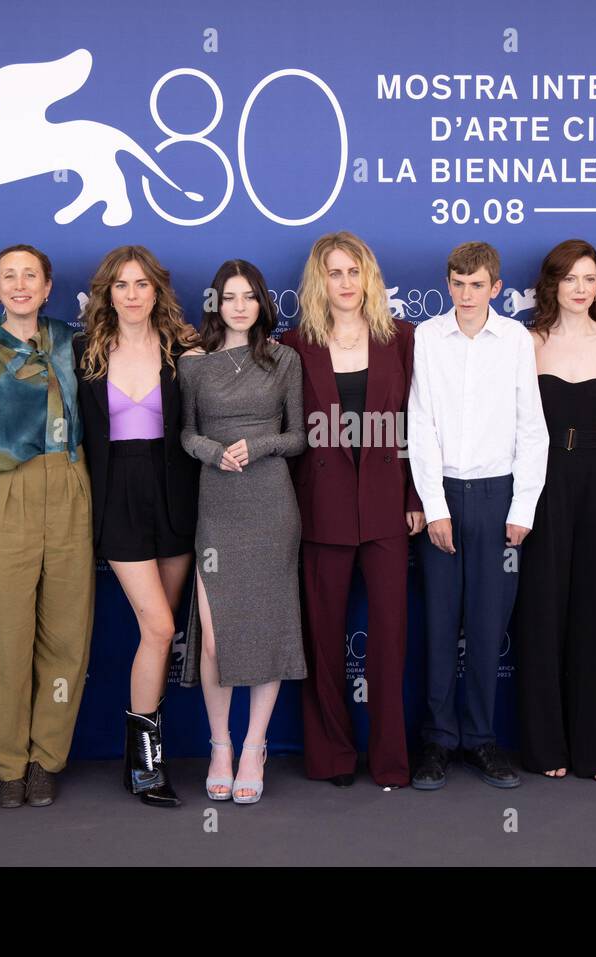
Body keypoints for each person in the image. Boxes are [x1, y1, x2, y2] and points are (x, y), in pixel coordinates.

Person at [281, 231, 424, 790]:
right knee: (323, 640)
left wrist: (416, 498)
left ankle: (391, 761)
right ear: (321, 281)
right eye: (334, 273)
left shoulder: (402, 339)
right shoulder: (294, 344)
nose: (345, 283)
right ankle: (332, 756)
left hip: (389, 508)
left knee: (390, 640)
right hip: (320, 511)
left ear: (370, 278)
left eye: (354, 272)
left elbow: (421, 427)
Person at [407, 241, 549, 790]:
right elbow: (419, 426)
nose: (466, 295)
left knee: (488, 627)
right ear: (449, 284)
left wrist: (523, 507)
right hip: (444, 493)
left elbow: (530, 427)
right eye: (457, 284)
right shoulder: (427, 337)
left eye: (477, 285)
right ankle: (439, 741)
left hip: (499, 495)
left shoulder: (514, 339)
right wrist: (434, 506)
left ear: (496, 287)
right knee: (440, 626)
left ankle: (482, 739)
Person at [0, 244, 94, 809]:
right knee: (2, 637)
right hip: (0, 491)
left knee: (66, 634)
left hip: (66, 481)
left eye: (29, 276)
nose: (19, 285)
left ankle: (46, 760)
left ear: (47, 286)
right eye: (8, 277)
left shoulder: (71, 341)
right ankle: (8, 763)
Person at [74, 245, 199, 808]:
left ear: (156, 292)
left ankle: (139, 758)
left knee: (166, 630)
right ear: (108, 293)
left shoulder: (184, 350)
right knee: (157, 627)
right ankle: (147, 765)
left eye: (141, 284)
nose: (131, 294)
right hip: (116, 497)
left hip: (176, 496)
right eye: (121, 285)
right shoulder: (83, 352)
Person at [178, 260, 306, 804]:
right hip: (218, 503)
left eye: (248, 296)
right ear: (214, 303)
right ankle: (220, 745)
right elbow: (185, 432)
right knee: (214, 637)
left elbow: (298, 436)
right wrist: (212, 451)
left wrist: (259, 445)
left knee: (269, 627)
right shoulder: (193, 364)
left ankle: (255, 745)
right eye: (228, 297)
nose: (238, 306)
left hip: (271, 503)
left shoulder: (285, 359)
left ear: (261, 304)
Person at [512, 239, 596, 782]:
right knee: (541, 612)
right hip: (540, 483)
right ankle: (545, 749)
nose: (581, 288)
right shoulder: (525, 342)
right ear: (552, 284)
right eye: (571, 278)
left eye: (590, 278)